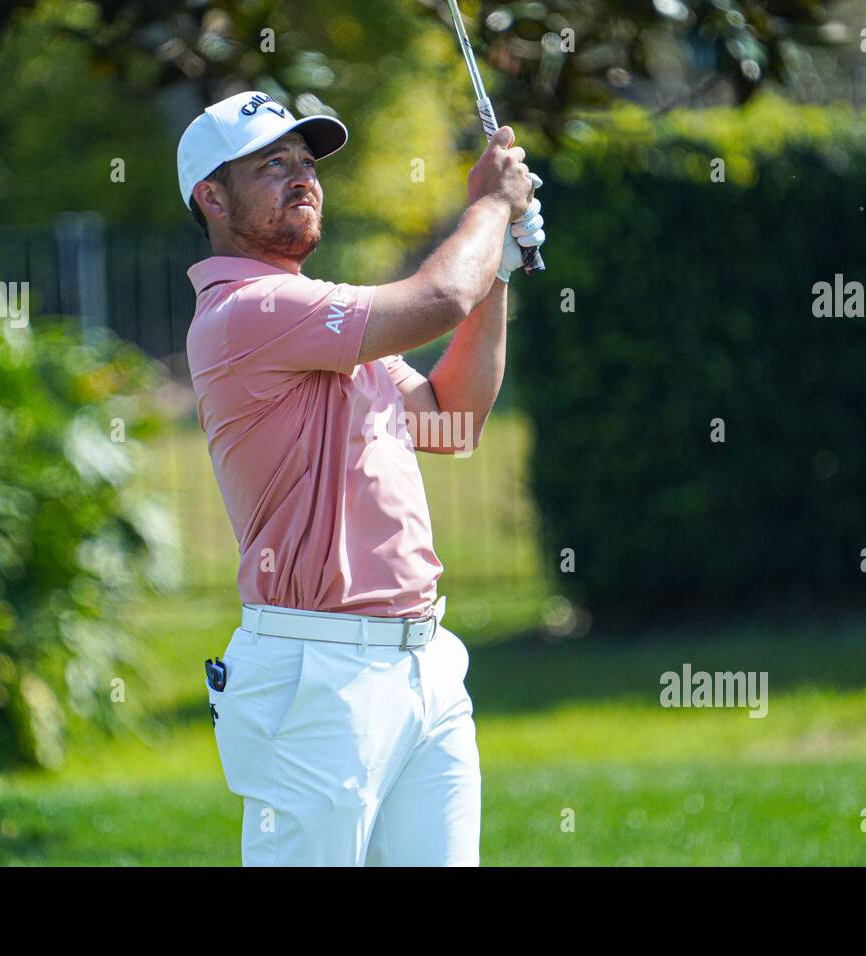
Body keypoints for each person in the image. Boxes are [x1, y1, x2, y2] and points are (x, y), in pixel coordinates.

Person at [177, 89, 545, 866]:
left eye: (306, 162)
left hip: (424, 662)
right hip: (317, 676)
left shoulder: (320, 315)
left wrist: (502, 265)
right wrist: (488, 208)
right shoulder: (246, 308)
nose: (301, 176)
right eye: (271, 164)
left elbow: (452, 419)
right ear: (211, 197)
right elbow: (441, 296)